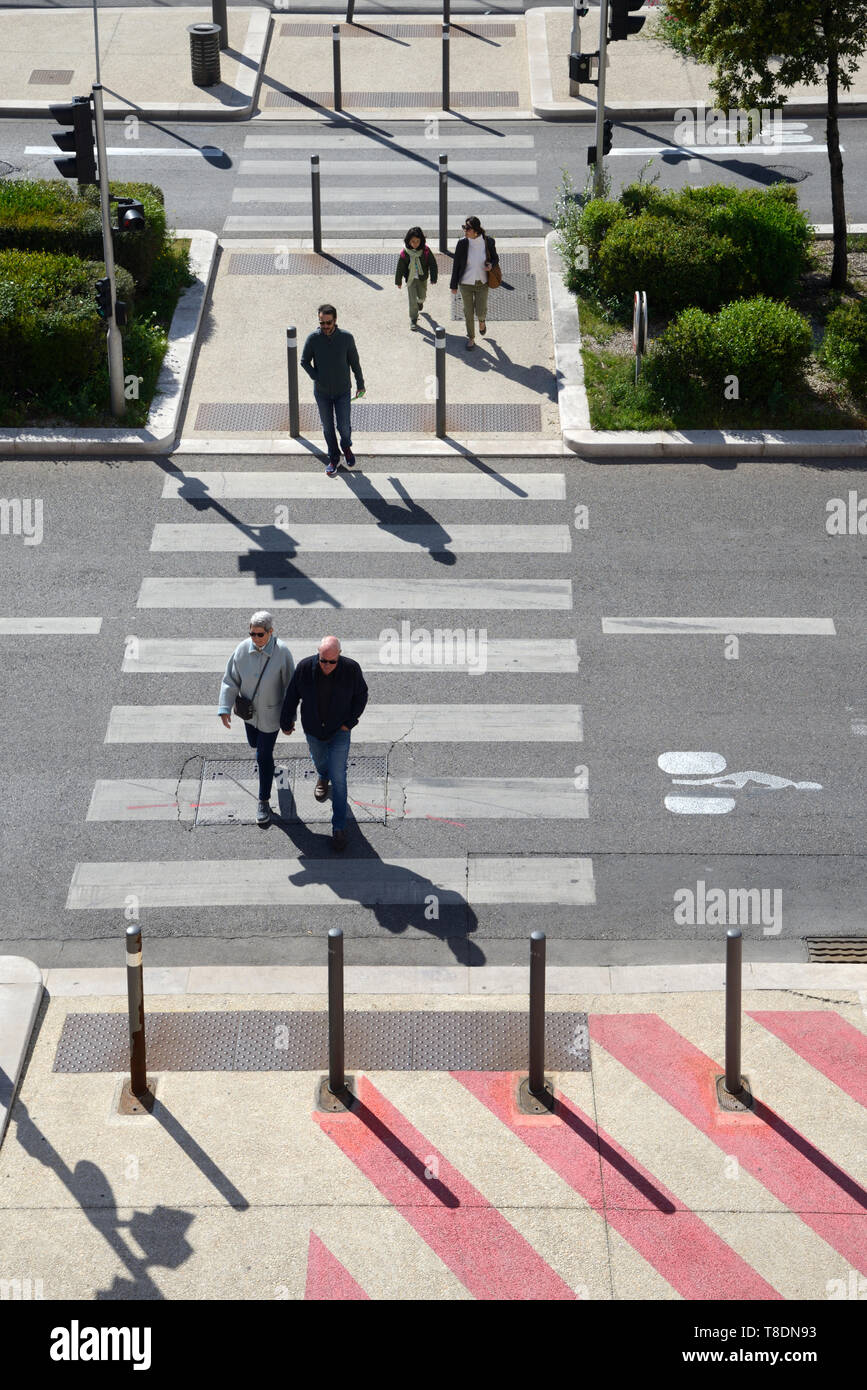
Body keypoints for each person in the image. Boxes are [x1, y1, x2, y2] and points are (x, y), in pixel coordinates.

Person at [280, 636, 368, 851]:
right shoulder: (304, 668)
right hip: (313, 729)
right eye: (323, 660)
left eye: (332, 661)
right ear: (318, 654)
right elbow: (292, 695)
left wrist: (350, 722)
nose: (327, 665)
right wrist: (286, 720)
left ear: (339, 655)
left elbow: (361, 695)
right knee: (320, 761)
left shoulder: (351, 669)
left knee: (339, 777)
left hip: (339, 731)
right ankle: (322, 776)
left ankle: (338, 827)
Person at [218, 611, 295, 826]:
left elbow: (291, 688)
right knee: (254, 744)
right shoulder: (242, 649)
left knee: (262, 755)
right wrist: (225, 708)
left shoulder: (282, 653)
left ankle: (263, 800)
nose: (255, 638)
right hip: (249, 715)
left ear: (271, 632)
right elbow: (230, 680)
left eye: (260, 634)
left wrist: (289, 720)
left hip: (272, 717)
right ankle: (274, 770)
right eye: (252, 633)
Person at [301, 304, 366, 476]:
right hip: (322, 393)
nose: (325, 327)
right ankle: (334, 457)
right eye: (322, 323)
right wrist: (316, 377)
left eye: (328, 323)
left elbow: (355, 363)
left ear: (335, 321)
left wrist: (361, 384)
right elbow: (304, 361)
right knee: (327, 427)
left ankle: (346, 446)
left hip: (343, 391)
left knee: (343, 426)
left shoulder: (346, 338)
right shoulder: (313, 339)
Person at [449, 215, 499, 350]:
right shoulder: (462, 243)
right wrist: (453, 285)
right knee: (468, 311)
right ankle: (471, 337)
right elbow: (456, 265)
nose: (465, 230)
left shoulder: (488, 242)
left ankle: (482, 321)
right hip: (465, 283)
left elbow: (495, 258)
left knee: (481, 311)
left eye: (468, 228)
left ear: (476, 231)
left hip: (482, 283)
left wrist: (491, 265)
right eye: (464, 227)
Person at [394, 225, 438, 330]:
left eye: (417, 241)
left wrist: (433, 277)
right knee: (412, 299)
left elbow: (433, 264)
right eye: (412, 241)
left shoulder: (426, 251)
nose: (415, 244)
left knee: (422, 296)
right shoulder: (405, 253)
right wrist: (398, 281)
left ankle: (420, 302)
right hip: (410, 279)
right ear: (408, 241)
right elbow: (400, 267)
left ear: (421, 241)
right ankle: (413, 319)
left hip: (422, 278)